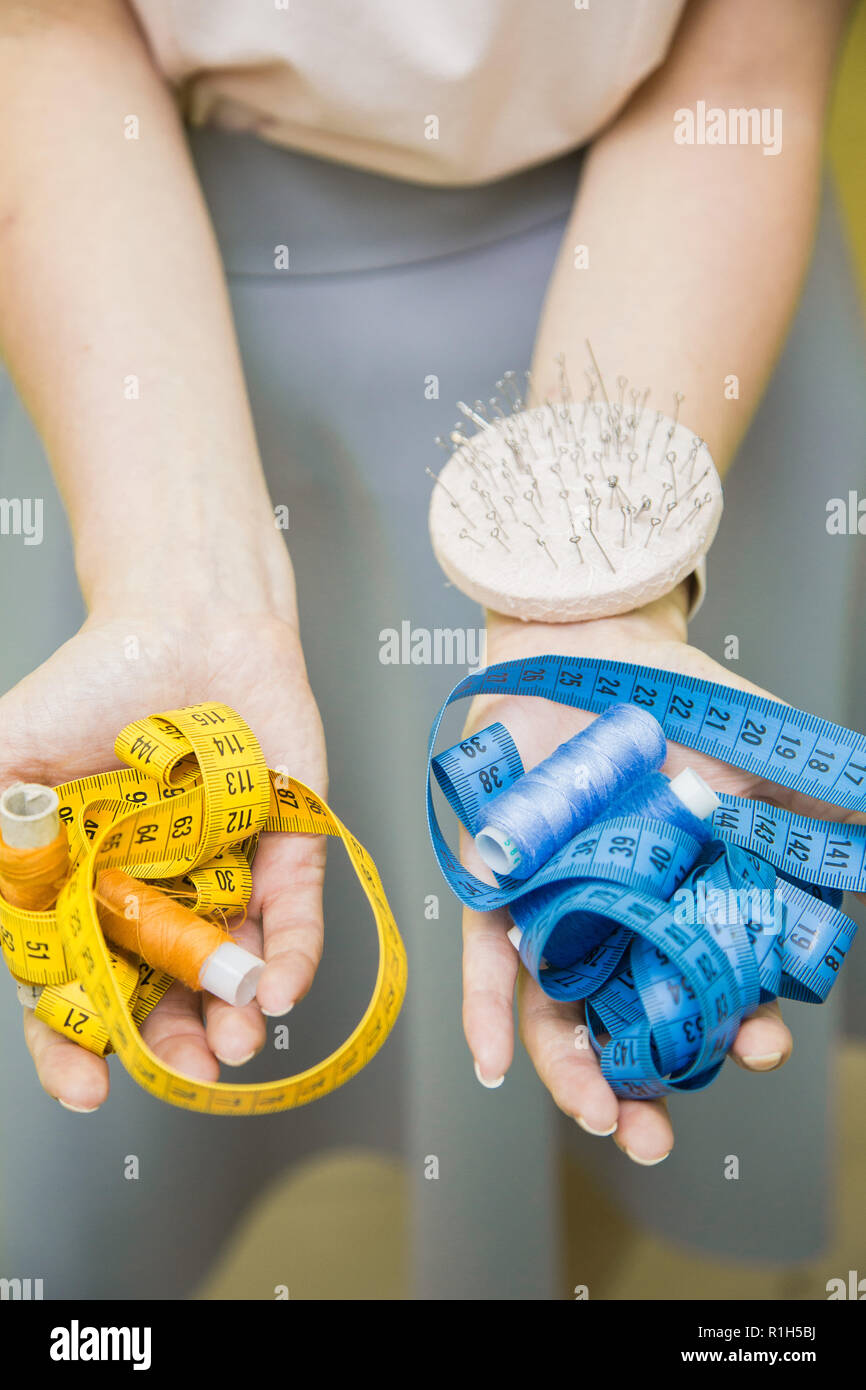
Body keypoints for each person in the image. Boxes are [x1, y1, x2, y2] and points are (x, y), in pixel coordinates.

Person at [0, 0, 860, 1297]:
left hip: (679, 333)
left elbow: (743, 69)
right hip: (144, 329)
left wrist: (589, 606)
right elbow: (38, 35)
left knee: (564, 1117)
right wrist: (175, 573)